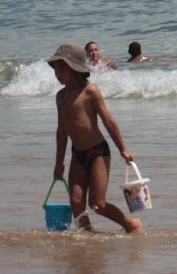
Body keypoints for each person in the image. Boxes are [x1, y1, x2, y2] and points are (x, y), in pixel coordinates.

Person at [46, 43, 141, 234]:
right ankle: (89, 235)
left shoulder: (90, 91)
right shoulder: (60, 97)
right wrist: (59, 162)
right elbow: (62, 131)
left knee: (97, 204)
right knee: (76, 202)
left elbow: (108, 120)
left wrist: (123, 149)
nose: (57, 72)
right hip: (77, 154)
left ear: (74, 68)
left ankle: (130, 225)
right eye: (55, 67)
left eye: (62, 67)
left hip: (98, 152)